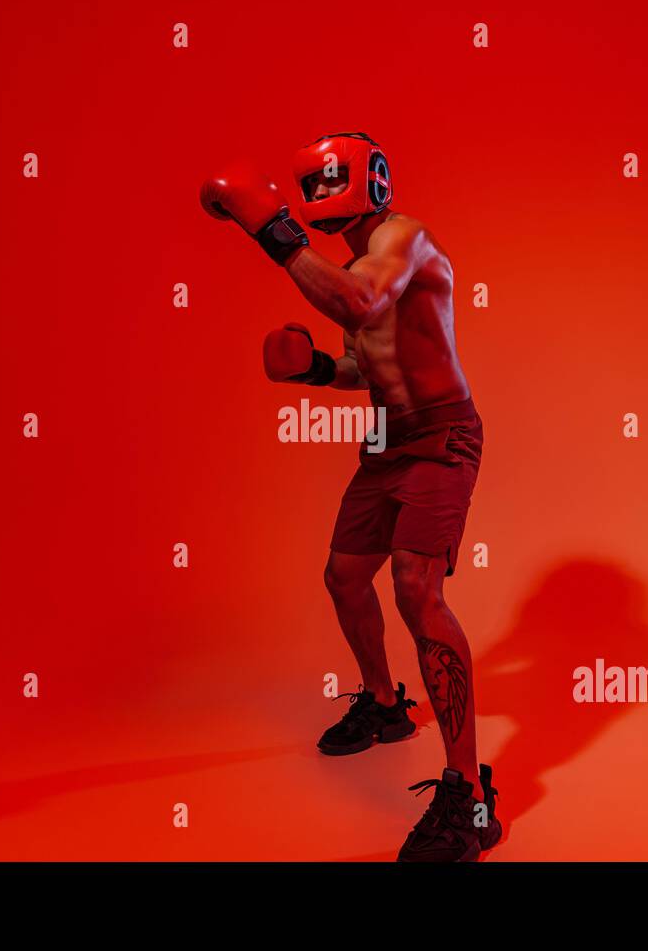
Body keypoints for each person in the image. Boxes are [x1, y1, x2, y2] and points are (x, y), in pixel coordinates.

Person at [200, 133, 499, 862]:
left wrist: (271, 231)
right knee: (342, 574)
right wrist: (312, 372)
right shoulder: (353, 267)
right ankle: (387, 707)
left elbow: (365, 303)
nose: (324, 185)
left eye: (332, 176)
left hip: (440, 438)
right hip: (386, 438)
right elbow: (365, 364)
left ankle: (471, 794)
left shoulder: (404, 238)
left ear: (369, 178)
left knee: (416, 593)